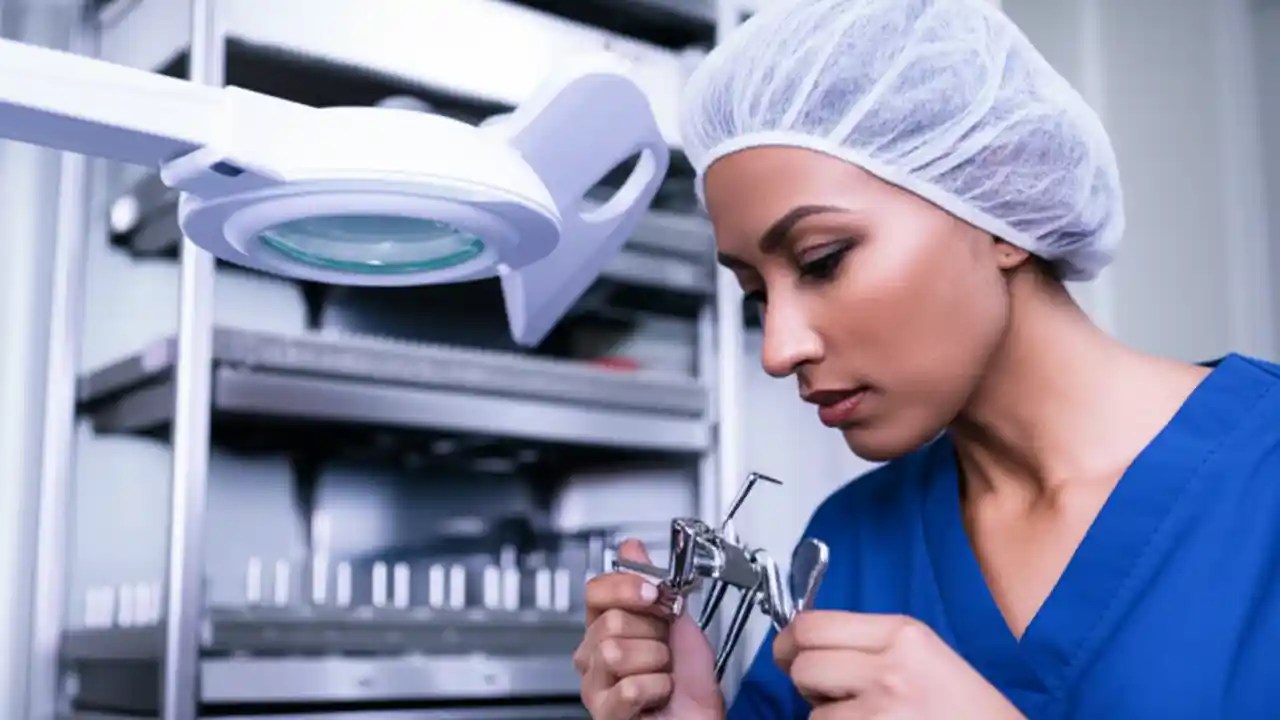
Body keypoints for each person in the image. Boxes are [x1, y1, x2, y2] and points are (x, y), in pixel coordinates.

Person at [573, 0, 1280, 717]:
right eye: (756, 294)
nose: (780, 350)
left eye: (822, 261)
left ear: (999, 195)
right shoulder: (849, 545)